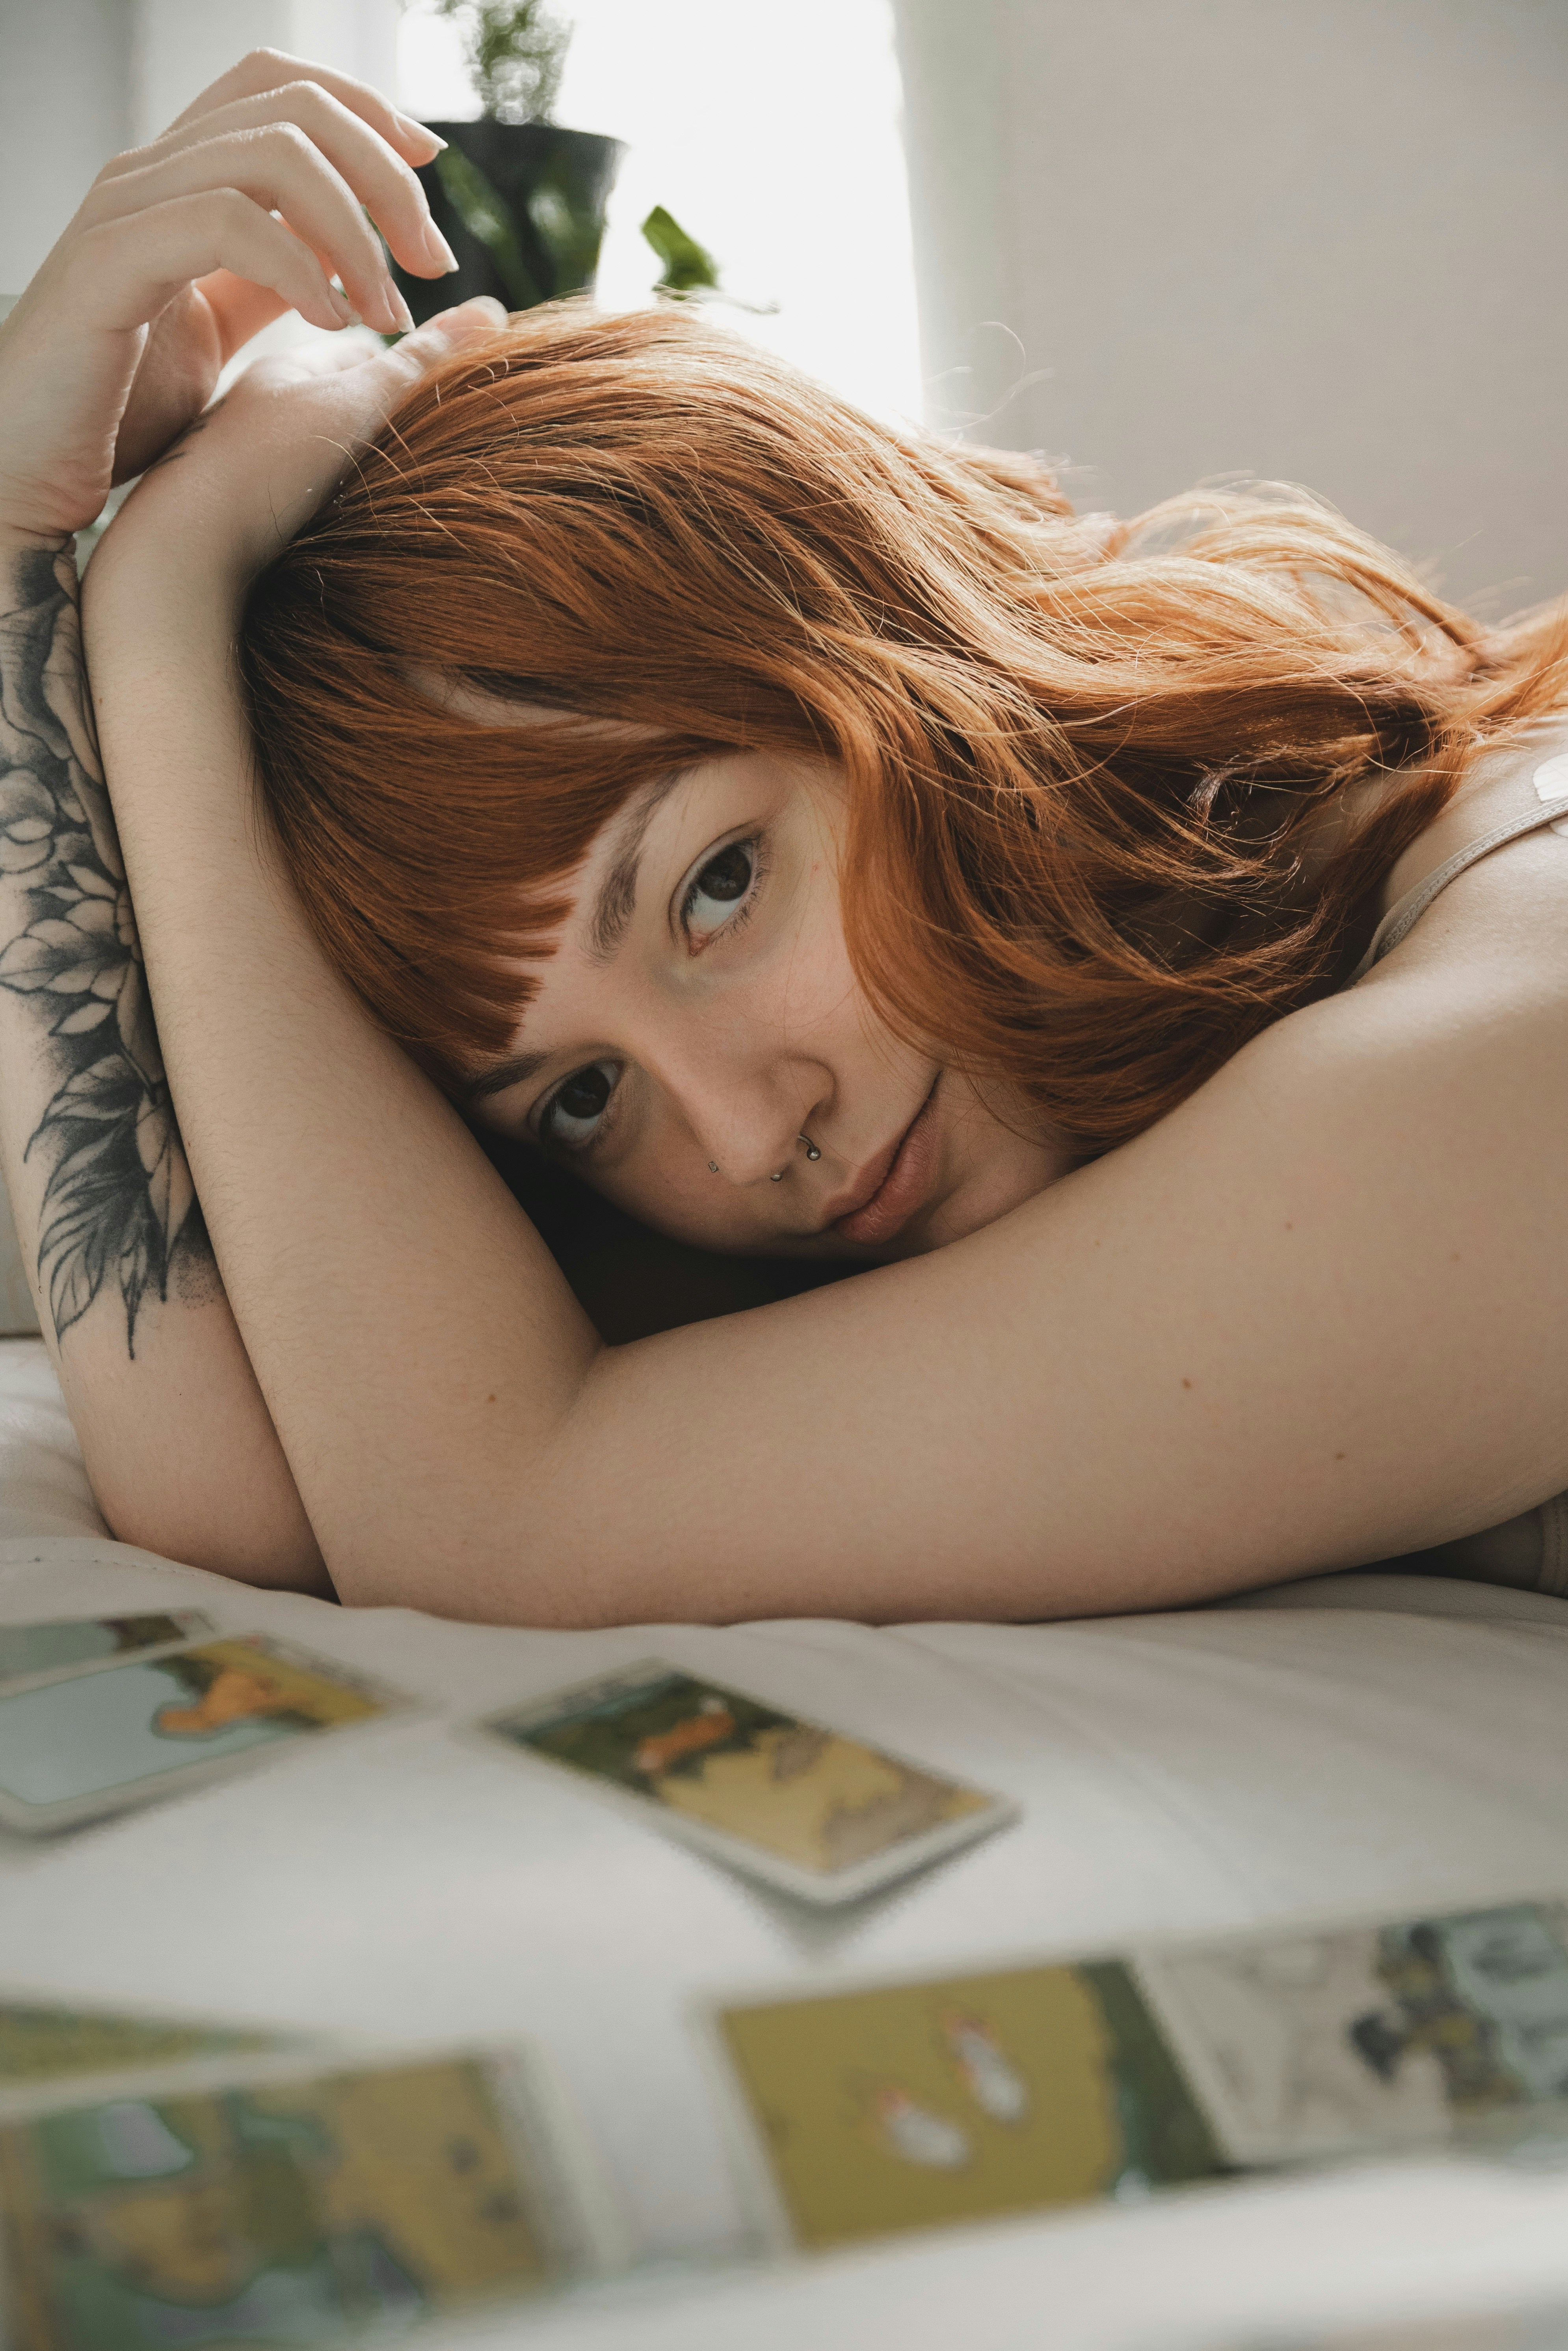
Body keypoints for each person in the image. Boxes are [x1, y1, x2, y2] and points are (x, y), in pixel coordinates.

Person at [0, 52, 1563, 1628]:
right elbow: (250, 1502)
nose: (747, 1140)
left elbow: (489, 1521)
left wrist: (151, 599)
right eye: (581, 1097)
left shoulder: (1508, 1027)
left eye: (715, 887)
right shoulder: (986, 1145)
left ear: (899, 628)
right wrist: (37, 570)